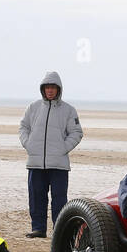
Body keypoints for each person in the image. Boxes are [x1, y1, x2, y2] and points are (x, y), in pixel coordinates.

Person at [19, 71, 83, 238]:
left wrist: (62, 148)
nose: (50, 90)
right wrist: (28, 144)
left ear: (58, 89)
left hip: (59, 164)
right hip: (35, 162)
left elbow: (76, 133)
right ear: (43, 89)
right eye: (47, 87)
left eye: (53, 87)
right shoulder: (33, 107)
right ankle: (38, 229)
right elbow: (23, 127)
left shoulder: (69, 110)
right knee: (36, 197)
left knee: (59, 199)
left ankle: (59, 230)